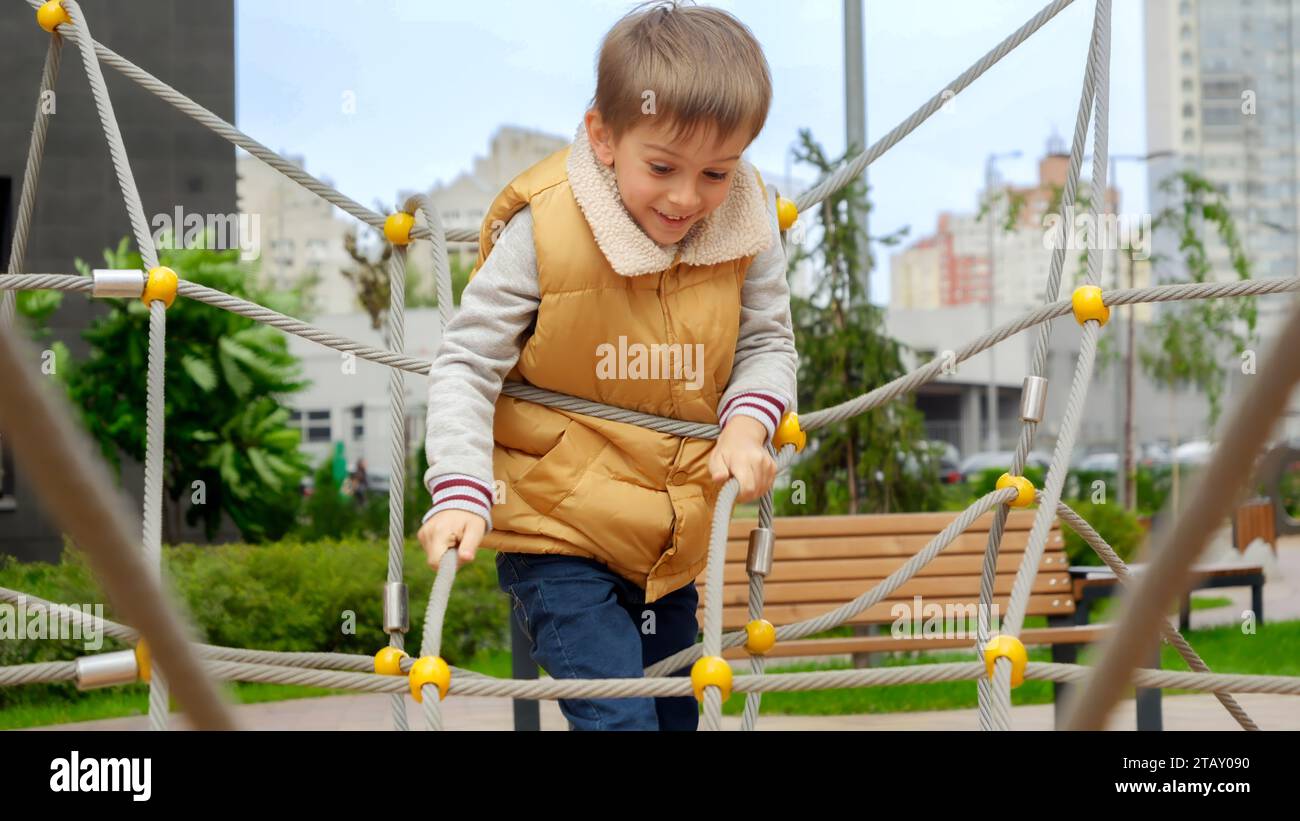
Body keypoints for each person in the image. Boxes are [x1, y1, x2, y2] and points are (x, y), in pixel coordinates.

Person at [417, 0, 797, 731]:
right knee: (622, 720)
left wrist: (748, 424)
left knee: (679, 719)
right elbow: (466, 362)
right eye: (662, 167)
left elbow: (767, 345)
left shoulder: (748, 224)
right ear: (602, 135)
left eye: (717, 172)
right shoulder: (547, 227)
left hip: (668, 538)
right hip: (556, 528)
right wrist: (460, 488)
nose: (688, 198)